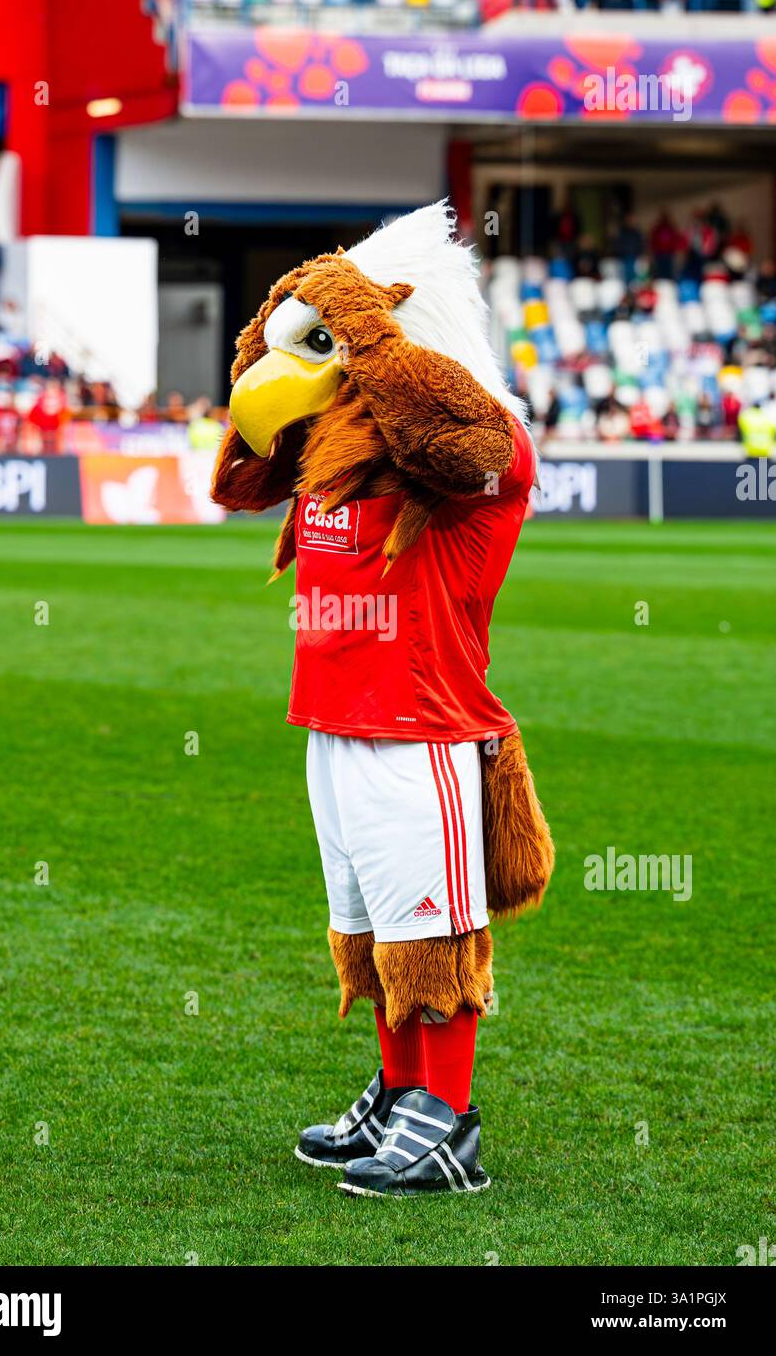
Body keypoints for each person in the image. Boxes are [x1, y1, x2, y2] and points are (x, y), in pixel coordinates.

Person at [210, 201, 553, 1197]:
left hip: (422, 726)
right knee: (371, 934)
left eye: (351, 333)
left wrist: (363, 327)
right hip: (335, 720)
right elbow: (238, 473)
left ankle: (448, 1122)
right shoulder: (345, 448)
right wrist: (275, 339)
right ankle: (401, 1094)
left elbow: (463, 447)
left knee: (434, 930)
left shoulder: (482, 450)